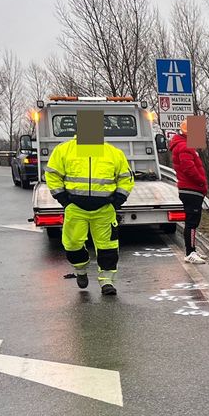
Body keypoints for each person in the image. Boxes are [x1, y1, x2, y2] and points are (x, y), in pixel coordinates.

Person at [44, 126, 134, 295]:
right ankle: (81, 270)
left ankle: (107, 282)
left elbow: (125, 178)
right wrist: (63, 199)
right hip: (76, 209)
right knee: (72, 245)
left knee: (108, 247)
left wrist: (118, 200)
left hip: (105, 209)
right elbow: (52, 174)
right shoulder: (65, 150)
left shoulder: (113, 152)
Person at [168, 121, 208, 264]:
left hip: (191, 189)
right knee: (192, 222)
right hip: (192, 189)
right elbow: (189, 168)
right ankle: (190, 252)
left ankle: (192, 250)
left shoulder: (183, 145)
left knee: (192, 222)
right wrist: (201, 182)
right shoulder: (184, 147)